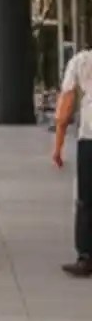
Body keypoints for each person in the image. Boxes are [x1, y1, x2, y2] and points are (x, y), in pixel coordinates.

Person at [53, 48, 92, 276]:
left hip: (90, 137)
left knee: (87, 199)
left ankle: (86, 257)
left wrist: (58, 145)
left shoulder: (82, 61)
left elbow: (66, 106)